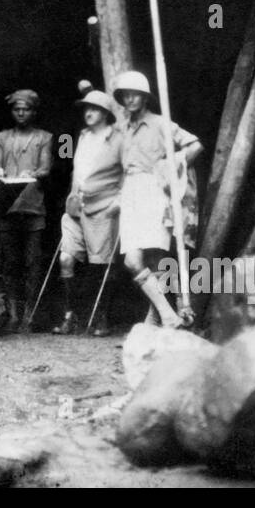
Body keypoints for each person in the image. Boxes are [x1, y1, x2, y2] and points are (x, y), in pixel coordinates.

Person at [111, 69, 202, 330]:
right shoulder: (122, 129)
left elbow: (195, 145)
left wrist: (171, 163)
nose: (130, 100)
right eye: (125, 95)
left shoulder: (161, 123)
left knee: (151, 259)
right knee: (132, 260)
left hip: (154, 190)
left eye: (135, 95)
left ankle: (160, 317)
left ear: (145, 97)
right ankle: (166, 315)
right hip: (131, 191)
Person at [54, 87, 122, 335]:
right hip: (75, 207)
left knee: (100, 265)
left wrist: (121, 200)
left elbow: (130, 173)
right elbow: (77, 171)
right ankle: (69, 315)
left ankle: (101, 317)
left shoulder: (118, 139)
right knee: (66, 258)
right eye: (86, 108)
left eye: (94, 109)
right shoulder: (81, 136)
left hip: (103, 209)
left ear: (105, 113)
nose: (88, 113)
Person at [0, 90, 53, 331]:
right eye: (17, 108)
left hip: (33, 208)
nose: (21, 112)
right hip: (8, 208)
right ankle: (13, 314)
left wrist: (35, 173)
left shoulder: (44, 137)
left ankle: (30, 314)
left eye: (26, 109)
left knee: (32, 263)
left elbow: (47, 167)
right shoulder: (2, 137)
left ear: (34, 111)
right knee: (10, 264)